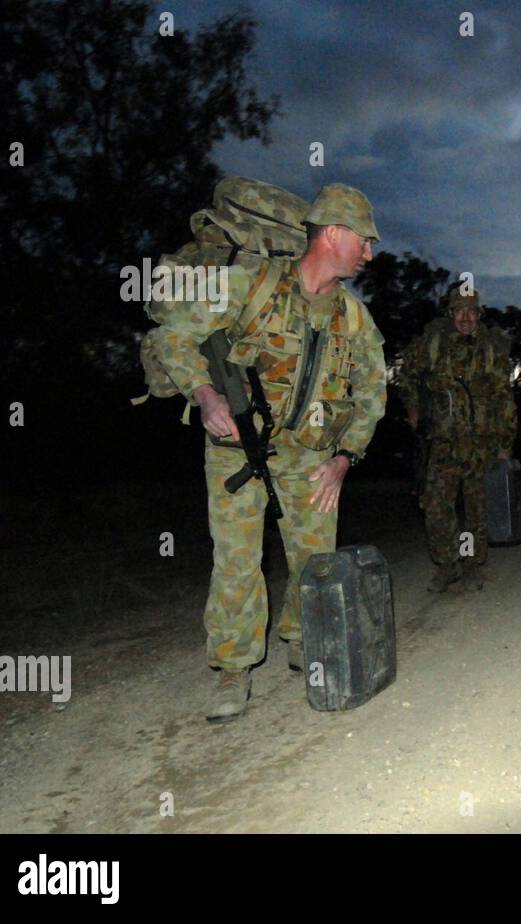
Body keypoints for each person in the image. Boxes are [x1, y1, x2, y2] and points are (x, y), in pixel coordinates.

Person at [152, 183, 388, 722]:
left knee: (314, 561)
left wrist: (345, 458)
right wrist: (205, 395)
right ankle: (233, 670)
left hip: (312, 457)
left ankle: (307, 645)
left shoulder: (354, 318)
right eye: (365, 241)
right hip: (237, 446)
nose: (370, 254)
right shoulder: (251, 284)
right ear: (333, 234)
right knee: (236, 559)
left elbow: (373, 392)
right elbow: (173, 337)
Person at [396, 287, 516, 593]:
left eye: (471, 312)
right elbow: (406, 374)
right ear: (450, 314)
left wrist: (505, 443)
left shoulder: (492, 350)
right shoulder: (432, 345)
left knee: (476, 510)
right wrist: (412, 408)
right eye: (459, 311)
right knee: (437, 506)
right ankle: (447, 566)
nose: (465, 318)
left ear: (479, 315)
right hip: (442, 442)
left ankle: (471, 564)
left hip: (481, 444)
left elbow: (505, 399)